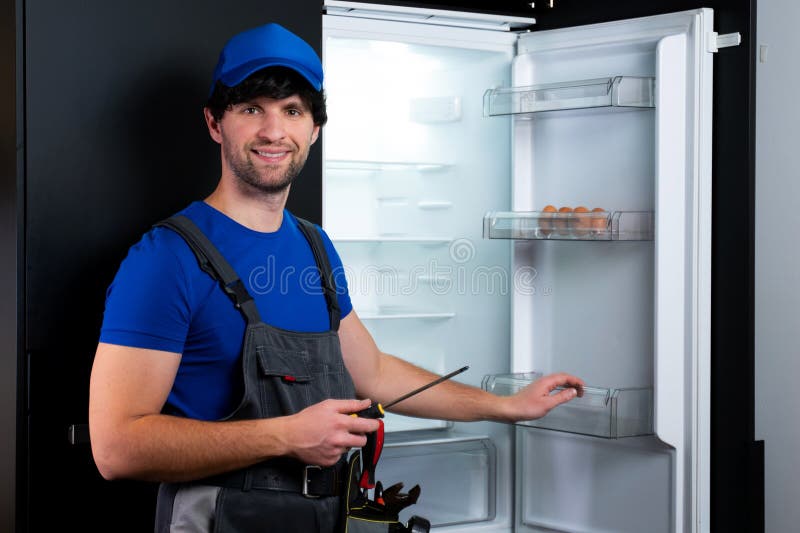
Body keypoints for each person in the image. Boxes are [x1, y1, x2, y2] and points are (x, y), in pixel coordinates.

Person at [88, 22, 584, 533]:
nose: (274, 131)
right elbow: (117, 448)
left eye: (293, 111)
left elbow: (371, 371)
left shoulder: (313, 246)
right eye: (251, 108)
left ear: (314, 129)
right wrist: (285, 436)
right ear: (215, 122)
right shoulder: (166, 258)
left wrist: (504, 407)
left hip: (322, 519)